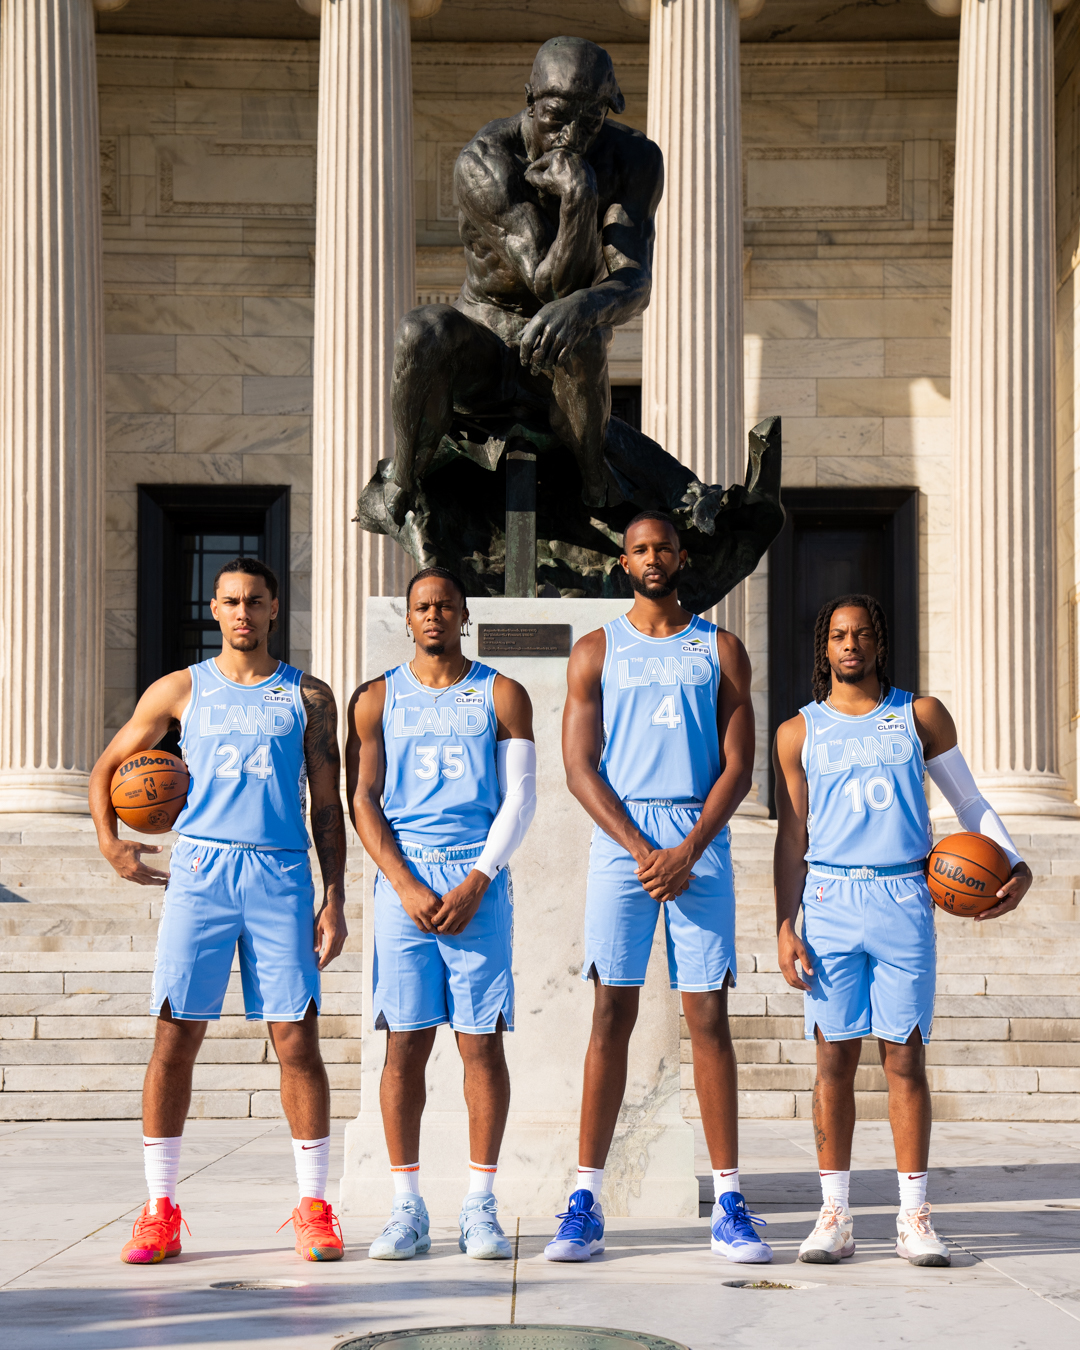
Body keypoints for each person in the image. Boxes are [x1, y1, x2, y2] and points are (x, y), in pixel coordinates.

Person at [89, 558, 348, 1266]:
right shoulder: (180, 689)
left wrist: (336, 896)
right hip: (200, 871)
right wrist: (112, 844)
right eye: (231, 600)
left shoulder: (309, 697)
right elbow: (108, 767)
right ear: (213, 607)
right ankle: (159, 1211)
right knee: (175, 1038)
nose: (242, 612)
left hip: (281, 870)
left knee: (296, 1041)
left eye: (255, 602)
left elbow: (329, 805)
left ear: (273, 610)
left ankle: (314, 1207)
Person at [773, 594, 1033, 1267]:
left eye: (861, 634)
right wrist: (784, 923)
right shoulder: (798, 731)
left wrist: (1017, 864)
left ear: (878, 642)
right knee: (833, 1059)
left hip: (904, 895)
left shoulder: (919, 715)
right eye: (838, 635)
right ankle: (835, 1213)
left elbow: (969, 801)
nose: (849, 645)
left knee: (905, 1059)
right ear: (823, 648)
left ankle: (913, 1216)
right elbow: (792, 835)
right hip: (831, 898)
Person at [545, 511, 771, 1265]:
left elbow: (739, 767)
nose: (652, 558)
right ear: (623, 562)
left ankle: (731, 1201)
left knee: (707, 1016)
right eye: (639, 549)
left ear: (681, 557)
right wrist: (645, 848)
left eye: (663, 547)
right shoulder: (596, 650)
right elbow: (580, 768)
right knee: (612, 1010)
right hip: (625, 846)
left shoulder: (722, 648)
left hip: (698, 837)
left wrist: (688, 847)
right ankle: (584, 1199)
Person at [381, 35, 662, 527]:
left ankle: (594, 480)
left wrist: (583, 308)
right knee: (419, 331)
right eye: (556, 117)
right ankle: (405, 477)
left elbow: (633, 280)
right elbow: (548, 286)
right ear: (529, 100)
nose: (571, 137)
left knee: (581, 333)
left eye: (591, 119)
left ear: (609, 109)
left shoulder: (632, 158)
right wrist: (579, 197)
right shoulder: (486, 161)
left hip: (561, 364)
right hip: (484, 353)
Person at [347, 567, 536, 1261]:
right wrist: (402, 884)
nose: (434, 616)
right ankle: (406, 1208)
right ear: (408, 617)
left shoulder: (502, 692)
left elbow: (520, 797)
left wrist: (481, 877)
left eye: (445, 606)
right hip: (407, 877)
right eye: (423, 607)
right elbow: (363, 799)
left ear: (464, 614)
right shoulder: (376, 699)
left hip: (474, 873)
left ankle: (481, 1205)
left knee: (481, 1041)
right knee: (405, 1042)